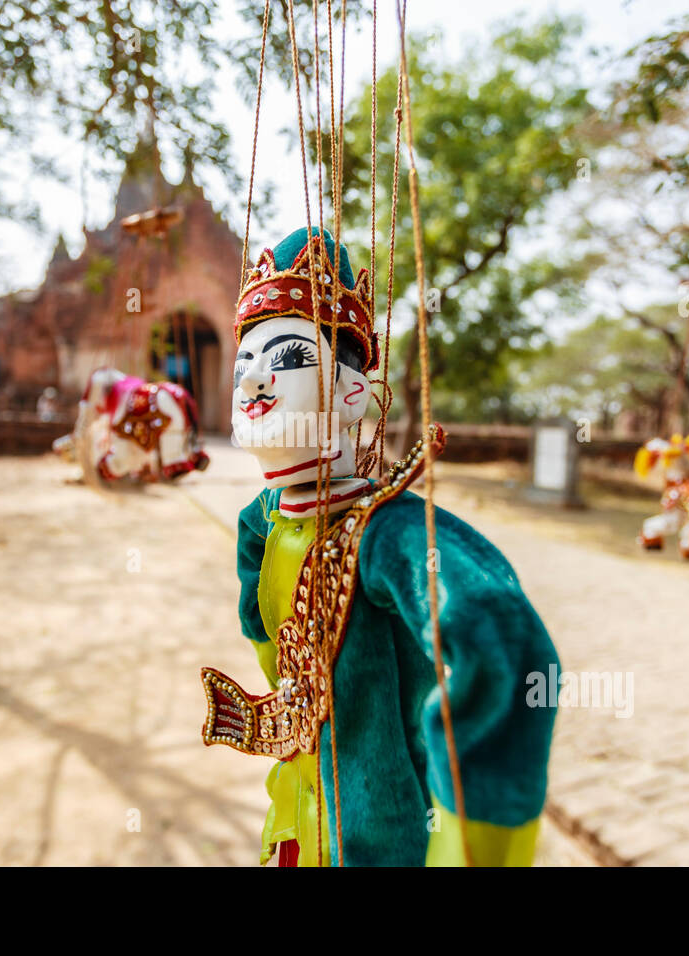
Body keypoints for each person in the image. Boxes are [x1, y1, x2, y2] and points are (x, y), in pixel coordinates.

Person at [200, 227, 560, 866]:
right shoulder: (262, 524)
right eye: (243, 364)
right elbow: (273, 647)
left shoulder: (387, 533)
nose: (253, 384)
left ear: (350, 394)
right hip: (291, 821)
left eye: (284, 359)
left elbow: (508, 644)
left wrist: (467, 851)